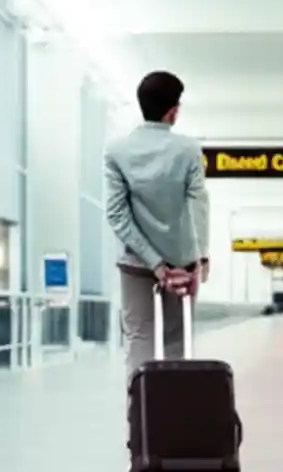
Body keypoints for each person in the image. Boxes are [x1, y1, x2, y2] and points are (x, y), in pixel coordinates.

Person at [105, 71, 211, 378]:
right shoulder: (189, 149)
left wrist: (154, 263)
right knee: (177, 343)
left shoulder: (116, 151)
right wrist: (200, 258)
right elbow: (198, 206)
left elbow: (116, 214)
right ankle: (173, 417)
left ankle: (139, 418)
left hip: (136, 262)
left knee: (139, 340)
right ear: (173, 111)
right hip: (183, 263)